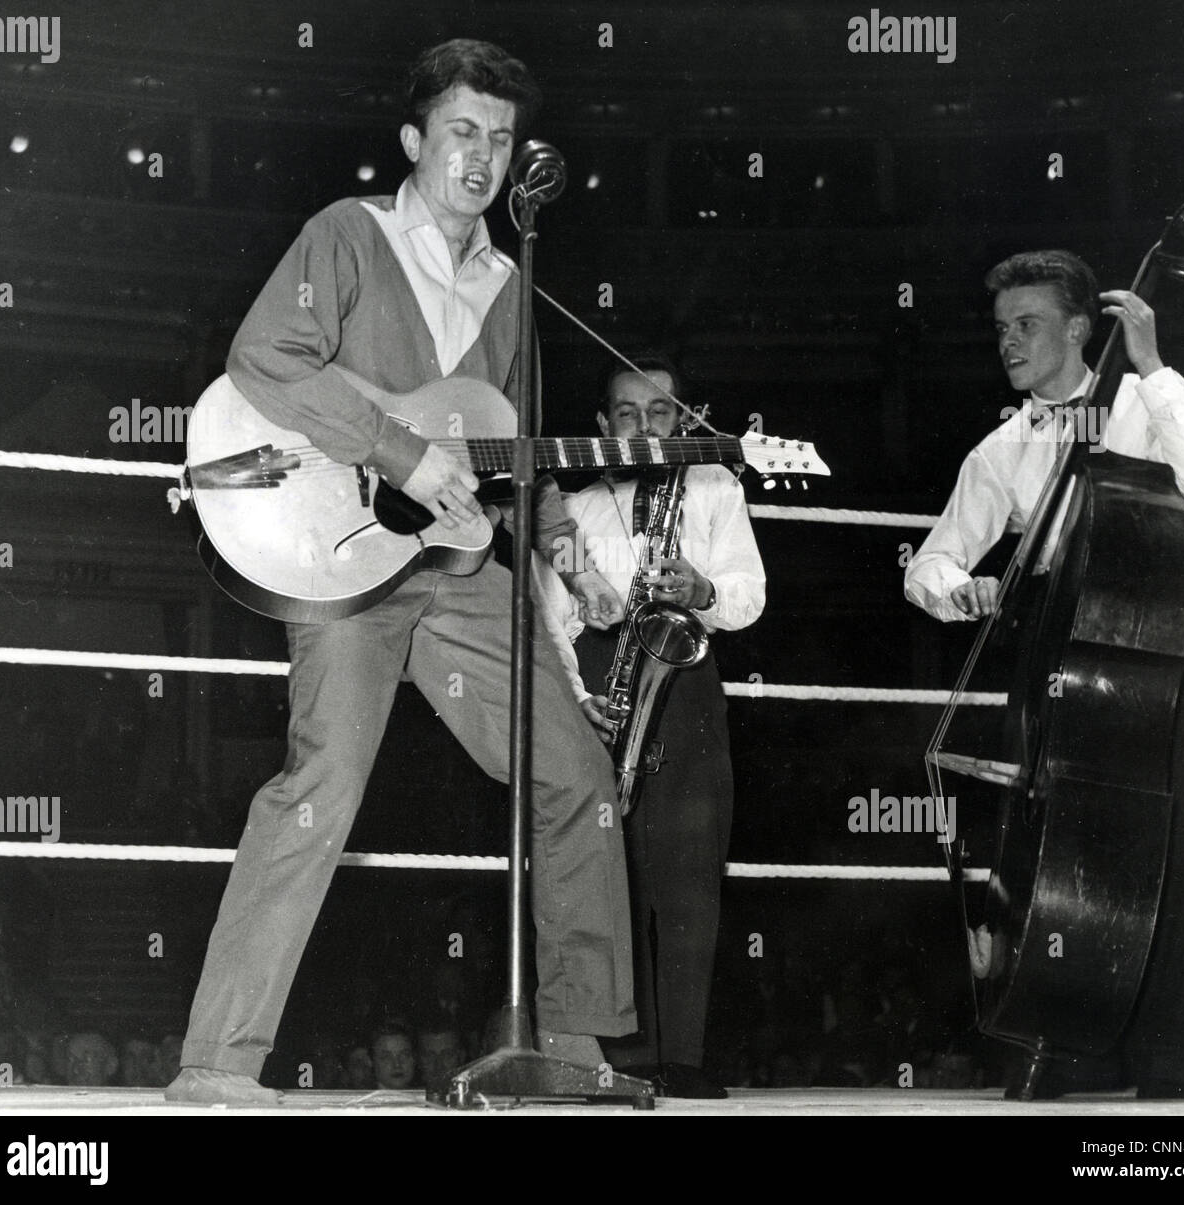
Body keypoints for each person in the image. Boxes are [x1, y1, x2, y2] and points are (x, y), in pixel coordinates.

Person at [167, 38, 635, 1106]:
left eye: (503, 139)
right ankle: (216, 1062)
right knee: (318, 788)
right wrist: (400, 451)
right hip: (342, 564)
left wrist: (566, 548)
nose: (483, 157)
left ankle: (568, 1040)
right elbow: (264, 360)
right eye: (463, 132)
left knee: (578, 777)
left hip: (463, 572)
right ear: (415, 140)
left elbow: (515, 450)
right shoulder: (347, 232)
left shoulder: (518, 288)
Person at [904, 250, 1184, 1098]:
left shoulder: (1139, 401)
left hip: (1145, 651)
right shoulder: (1003, 445)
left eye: (1029, 324)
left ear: (1083, 328)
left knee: (1155, 851)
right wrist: (962, 589)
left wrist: (1154, 364)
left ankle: (1168, 1058)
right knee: (1057, 853)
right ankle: (1068, 1042)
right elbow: (929, 563)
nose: (1009, 342)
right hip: (1051, 649)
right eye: (1003, 328)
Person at [534, 356, 766, 1098]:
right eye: (626, 414)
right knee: (612, 870)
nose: (643, 428)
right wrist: (575, 696)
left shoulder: (713, 487)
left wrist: (701, 588)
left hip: (686, 681)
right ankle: (626, 1056)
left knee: (691, 872)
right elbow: (548, 621)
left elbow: (750, 593)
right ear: (603, 427)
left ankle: (688, 1057)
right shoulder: (572, 510)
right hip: (603, 683)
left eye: (660, 413)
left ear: (685, 419)